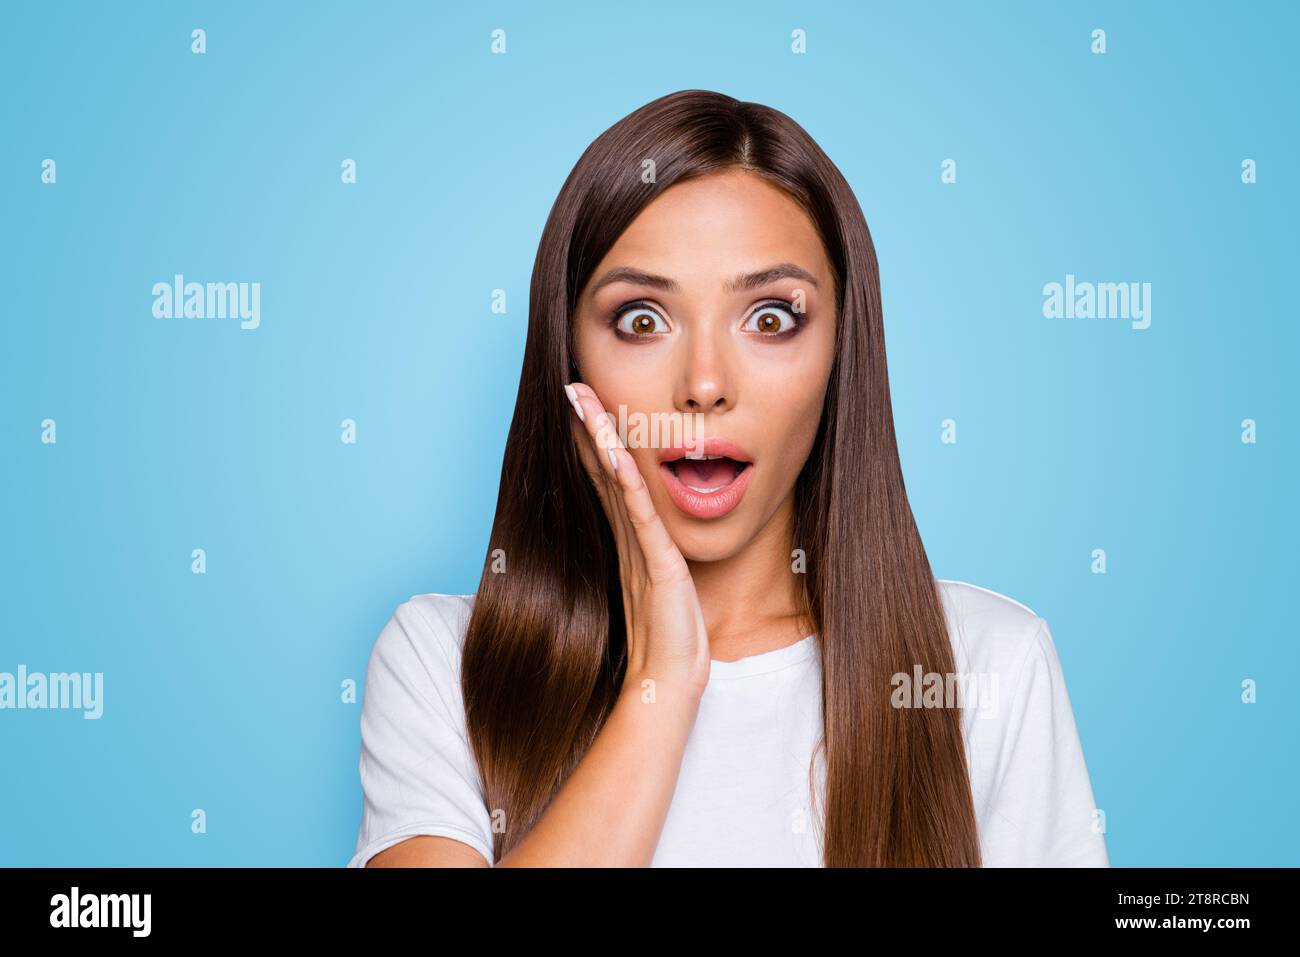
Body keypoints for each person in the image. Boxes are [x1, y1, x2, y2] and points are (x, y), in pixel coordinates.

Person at [347, 89, 1108, 868]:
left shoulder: (986, 668)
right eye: (641, 319)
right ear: (567, 357)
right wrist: (662, 681)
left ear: (842, 355)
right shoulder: (444, 661)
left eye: (772, 318)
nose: (705, 383)